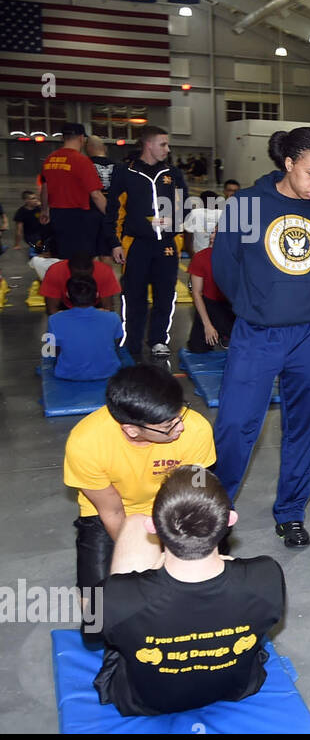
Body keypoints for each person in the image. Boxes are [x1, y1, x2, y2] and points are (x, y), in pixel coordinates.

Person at [211, 127, 310, 550]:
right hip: (257, 333)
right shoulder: (248, 204)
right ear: (288, 164)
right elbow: (224, 266)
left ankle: (290, 513)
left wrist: (303, 304)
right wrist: (255, 306)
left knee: (302, 427)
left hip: (309, 335)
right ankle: (215, 515)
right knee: (234, 426)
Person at [93, 466, 284, 716]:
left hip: (144, 700)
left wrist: (145, 578)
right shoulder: (266, 574)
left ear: (154, 527)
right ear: (230, 520)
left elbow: (93, 637)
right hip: (237, 687)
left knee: (133, 523)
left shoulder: (113, 594)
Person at [63, 365, 217, 604]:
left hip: (173, 507)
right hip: (111, 514)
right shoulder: (85, 443)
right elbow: (111, 511)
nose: (180, 427)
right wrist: (139, 555)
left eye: (179, 414)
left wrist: (175, 553)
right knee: (95, 621)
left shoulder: (196, 430)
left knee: (198, 594)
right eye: (168, 426)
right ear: (132, 430)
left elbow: (194, 497)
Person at [104, 125, 188, 358]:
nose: (167, 149)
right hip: (136, 245)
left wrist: (173, 219)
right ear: (148, 145)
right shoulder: (125, 172)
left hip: (167, 245)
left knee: (165, 294)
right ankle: (132, 341)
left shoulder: (173, 173)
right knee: (133, 296)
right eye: (163, 144)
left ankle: (159, 339)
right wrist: (114, 242)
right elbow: (113, 211)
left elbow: (184, 205)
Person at [40, 123, 107, 260]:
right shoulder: (82, 161)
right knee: (81, 260)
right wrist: (111, 215)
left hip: (56, 215)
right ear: (81, 138)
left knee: (63, 257)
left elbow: (45, 189)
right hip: (78, 217)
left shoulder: (49, 159)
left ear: (63, 138)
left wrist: (45, 210)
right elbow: (96, 195)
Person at [47, 276, 121, 381]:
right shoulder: (113, 317)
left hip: (68, 373)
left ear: (68, 295)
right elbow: (115, 343)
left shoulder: (54, 320)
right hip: (108, 371)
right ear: (97, 295)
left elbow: (54, 350)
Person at [40, 252, 120, 314]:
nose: (83, 280)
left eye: (86, 275)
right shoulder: (55, 272)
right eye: (78, 275)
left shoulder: (104, 272)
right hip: (65, 309)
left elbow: (108, 309)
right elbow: (52, 310)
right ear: (69, 269)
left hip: (96, 309)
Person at [183, 190, 222, 259]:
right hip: (219, 256)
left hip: (199, 254)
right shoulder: (223, 214)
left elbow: (187, 238)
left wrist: (192, 255)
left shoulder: (195, 213)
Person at [14, 190, 47, 256]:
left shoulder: (39, 208)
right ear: (26, 200)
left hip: (41, 233)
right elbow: (19, 229)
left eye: (36, 198)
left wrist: (42, 206)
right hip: (30, 235)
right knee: (40, 246)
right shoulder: (21, 212)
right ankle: (34, 250)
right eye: (33, 199)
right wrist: (17, 244)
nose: (35, 200)